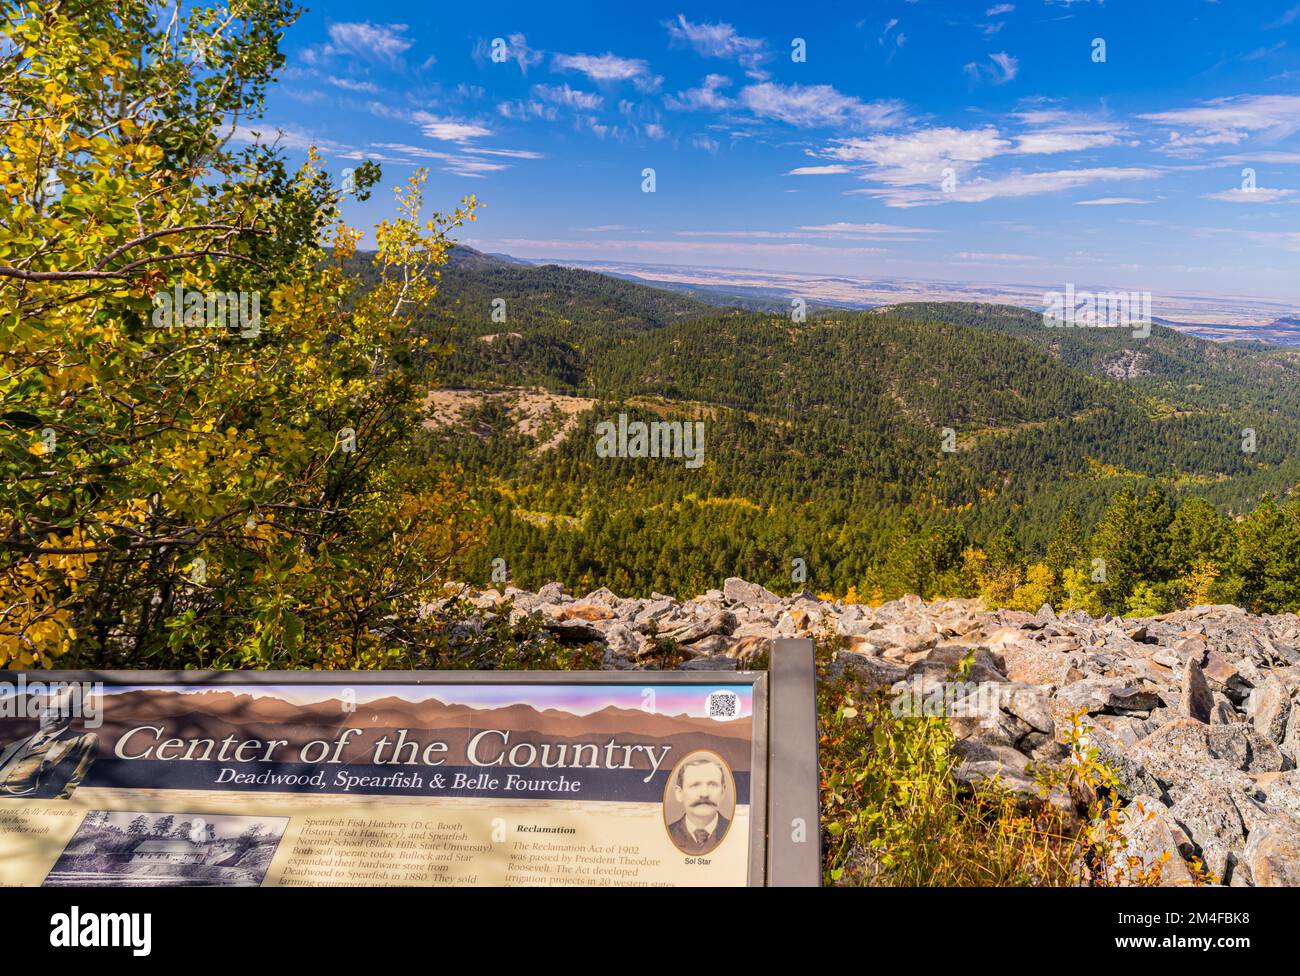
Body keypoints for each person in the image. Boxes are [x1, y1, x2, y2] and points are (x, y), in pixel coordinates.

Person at [0, 692, 98, 799]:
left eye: (64, 714)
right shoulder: (14, 746)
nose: (55, 718)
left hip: (34, 804)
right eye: (50, 712)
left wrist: (51, 807)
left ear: (71, 717)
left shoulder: (82, 740)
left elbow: (74, 782)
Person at [665, 753, 730, 855]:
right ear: (679, 793)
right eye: (695, 785)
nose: (704, 794)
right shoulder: (667, 834)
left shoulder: (734, 832)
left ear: (723, 791)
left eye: (712, 784)